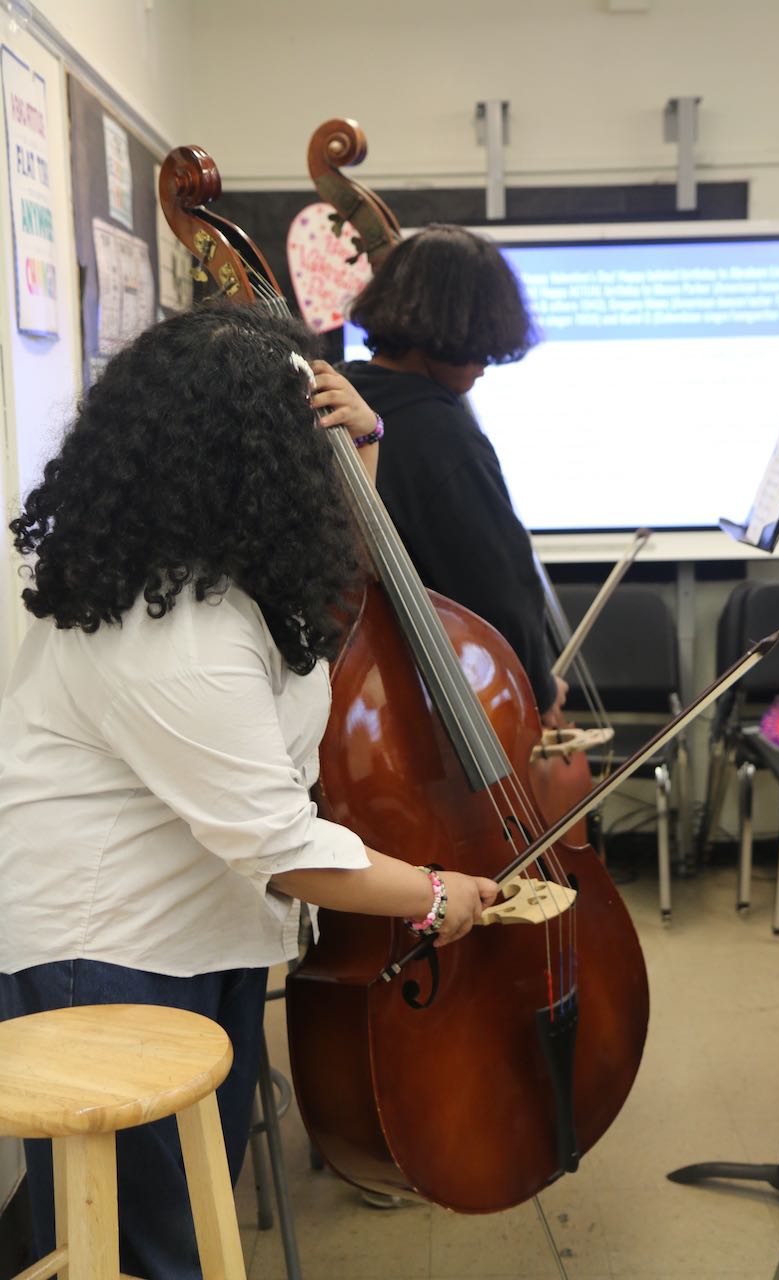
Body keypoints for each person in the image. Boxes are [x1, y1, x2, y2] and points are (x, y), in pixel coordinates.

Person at [0, 300, 497, 1280]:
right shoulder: (170, 618)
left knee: (182, 1207)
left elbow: (335, 592)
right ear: (251, 460)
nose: (318, 471)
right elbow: (277, 839)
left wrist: (367, 441)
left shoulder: (237, 572)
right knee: (149, 1245)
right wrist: (435, 893)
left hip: (193, 925)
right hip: (104, 944)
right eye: (299, 447)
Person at [341, 223, 568, 727]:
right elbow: (496, 589)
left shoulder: (343, 393)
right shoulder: (442, 434)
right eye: (477, 344)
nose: (486, 363)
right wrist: (540, 686)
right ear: (440, 330)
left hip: (358, 699)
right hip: (437, 706)